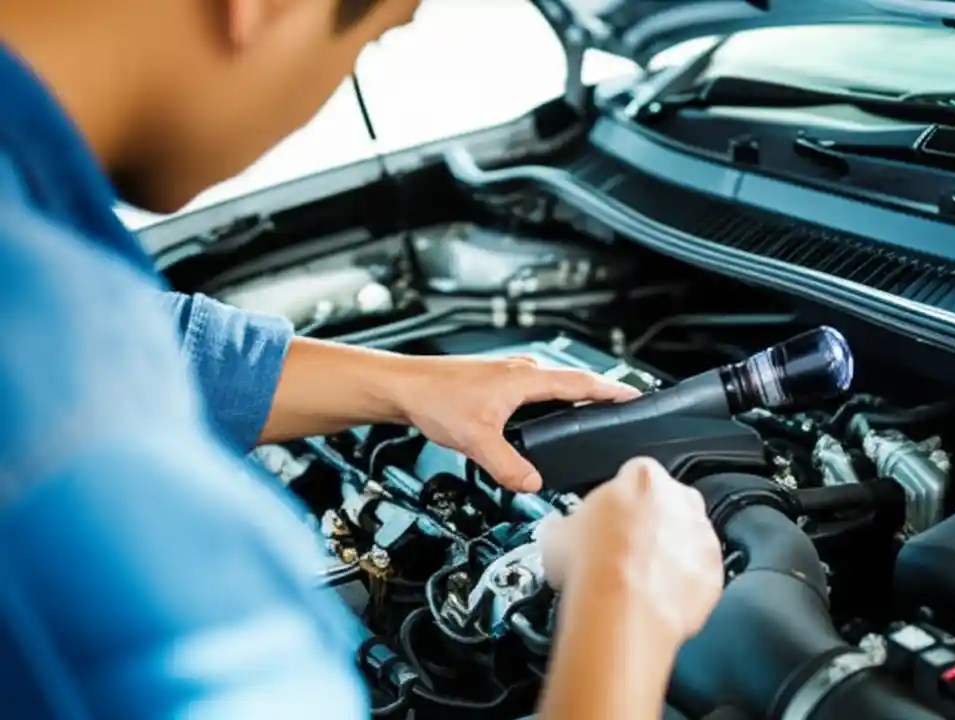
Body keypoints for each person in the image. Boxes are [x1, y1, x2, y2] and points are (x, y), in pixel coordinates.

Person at [0, 0, 723, 718]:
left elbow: (156, 344)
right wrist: (624, 607)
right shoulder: (78, 450)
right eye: (370, 44)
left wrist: (409, 384)